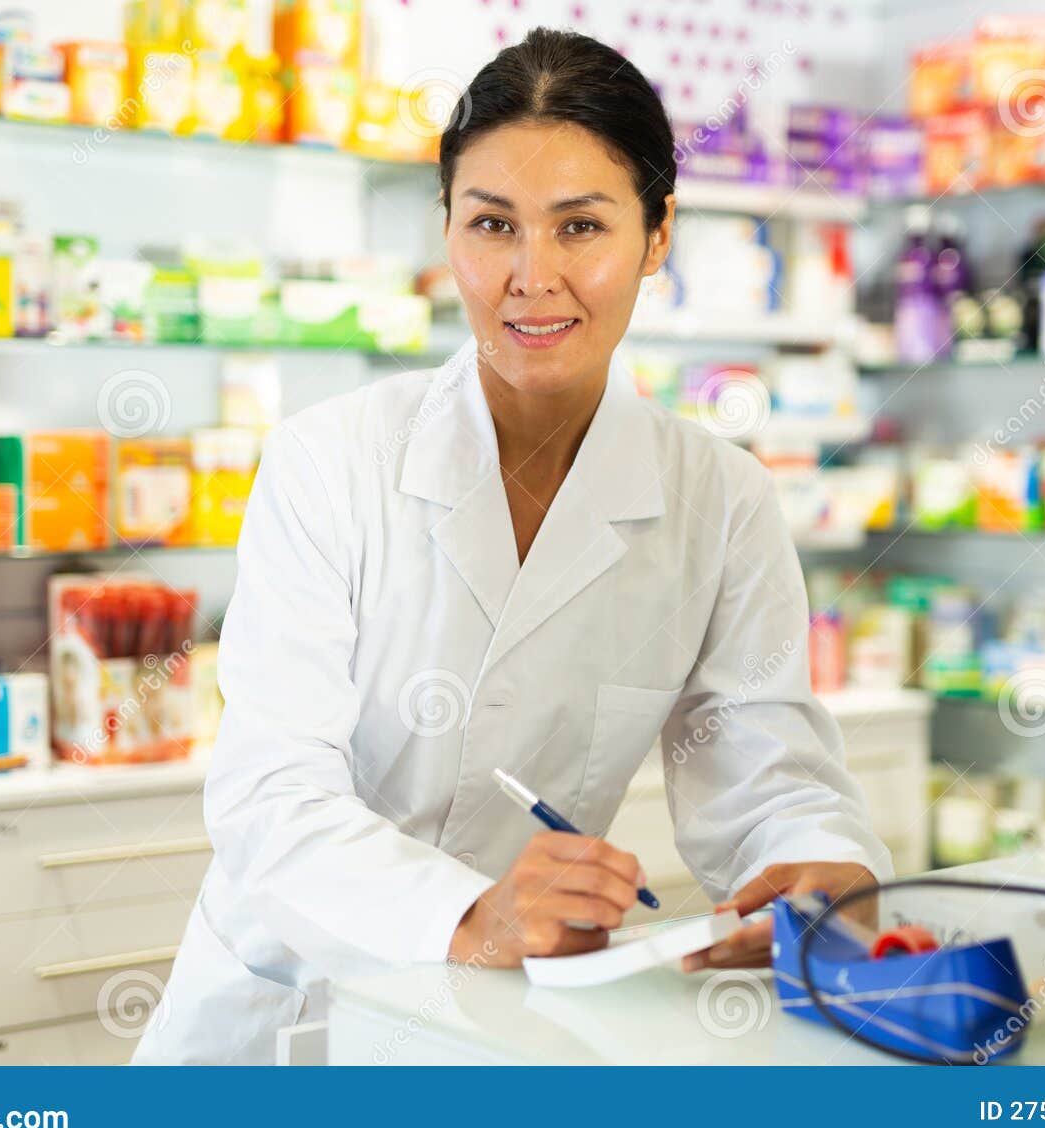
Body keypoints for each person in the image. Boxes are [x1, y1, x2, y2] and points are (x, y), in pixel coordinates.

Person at [136, 27, 889, 1065]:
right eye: (493, 224)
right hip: (282, 1016)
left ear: (657, 234)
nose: (532, 277)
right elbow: (271, 799)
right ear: (447, 229)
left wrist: (822, 865)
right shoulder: (329, 461)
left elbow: (769, 775)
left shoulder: (720, 500)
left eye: (580, 226)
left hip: (500, 1032)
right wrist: (467, 916)